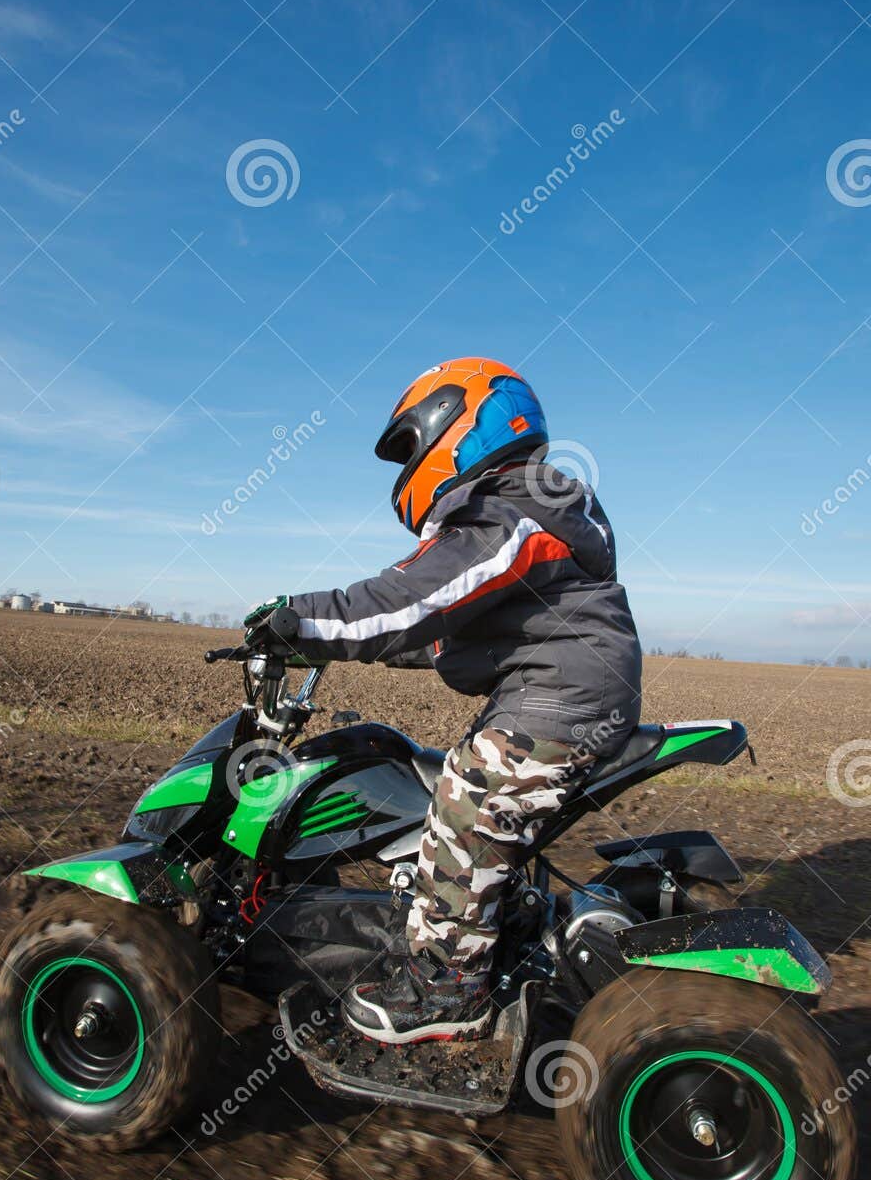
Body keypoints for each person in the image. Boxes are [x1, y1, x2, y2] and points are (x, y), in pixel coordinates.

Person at [243, 358, 642, 1045]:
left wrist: (300, 620)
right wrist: (330, 646)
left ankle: (444, 986)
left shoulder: (506, 515)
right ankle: (487, 923)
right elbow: (439, 631)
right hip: (557, 692)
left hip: (560, 704)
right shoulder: (526, 512)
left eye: (410, 444)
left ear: (463, 425)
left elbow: (409, 602)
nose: (408, 464)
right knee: (430, 774)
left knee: (470, 794)